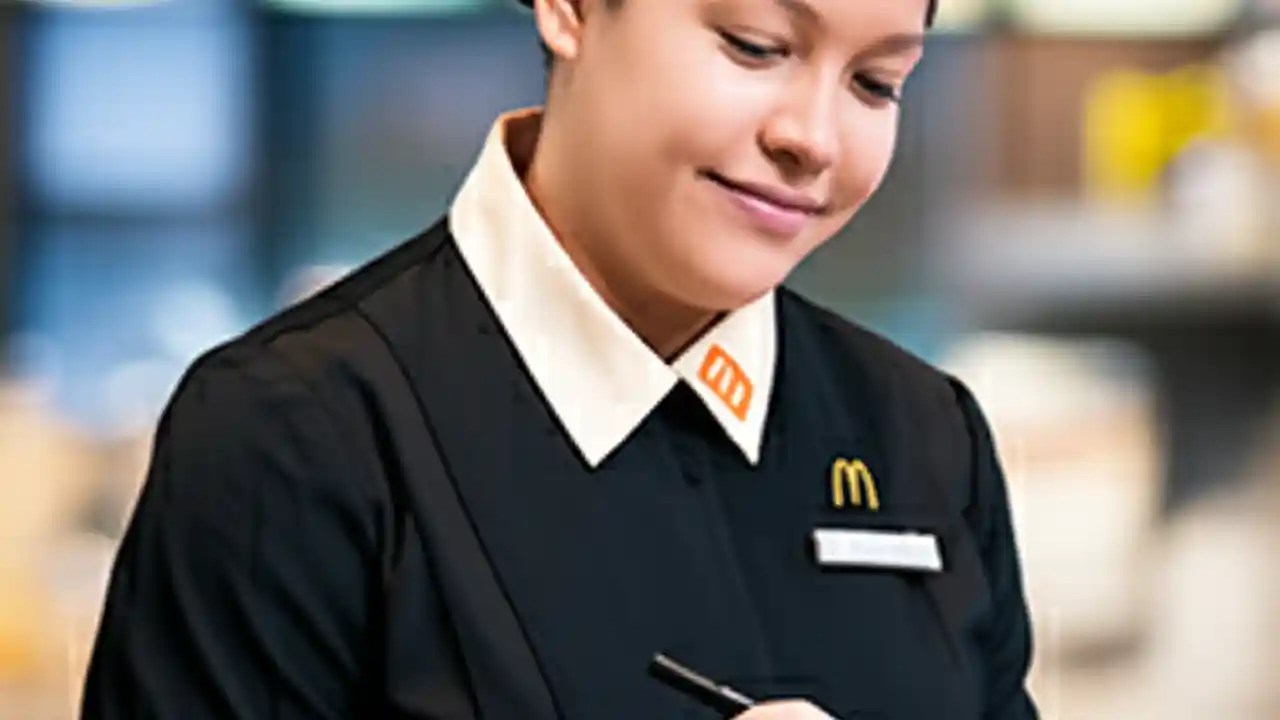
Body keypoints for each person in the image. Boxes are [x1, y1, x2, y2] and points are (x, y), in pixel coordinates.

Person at [82, 0, 1039, 718]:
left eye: (875, 84)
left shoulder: (926, 436)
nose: (813, 138)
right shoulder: (292, 433)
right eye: (755, 45)